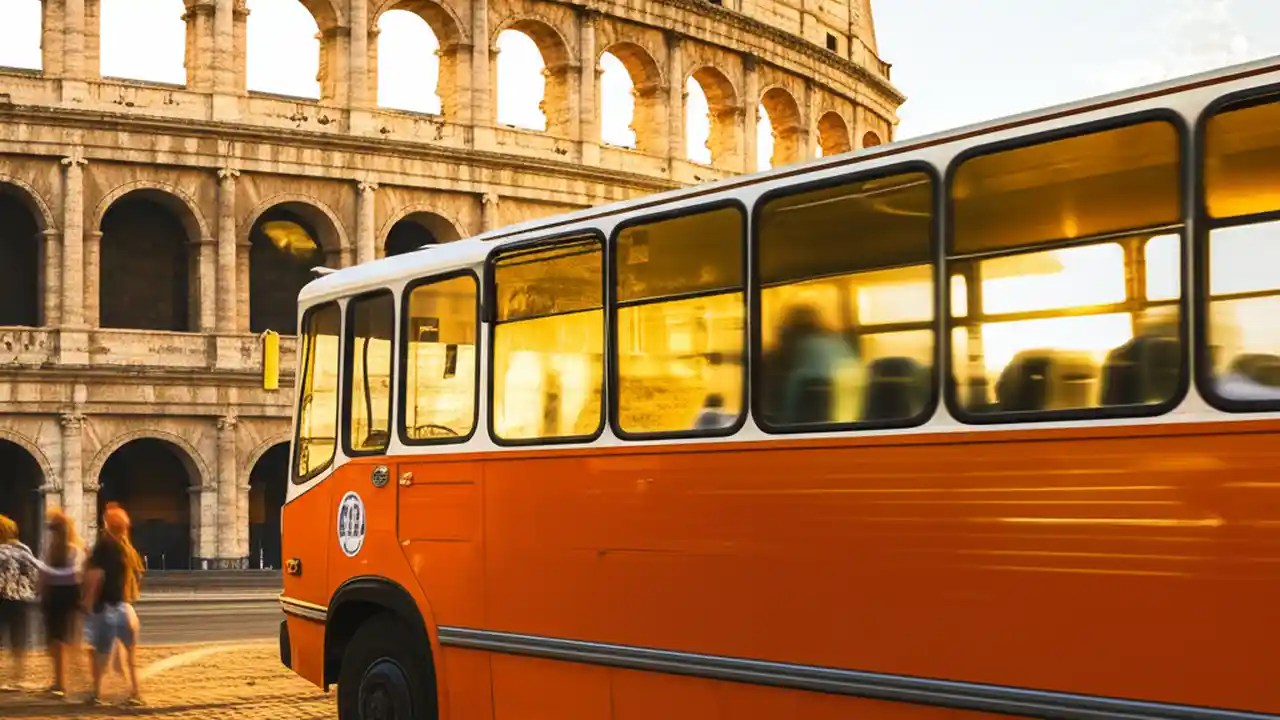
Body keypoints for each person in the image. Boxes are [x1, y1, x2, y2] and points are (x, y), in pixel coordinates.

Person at [82, 504, 144, 706]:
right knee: (130, 657)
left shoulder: (103, 546)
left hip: (106, 609)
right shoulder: (129, 549)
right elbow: (137, 577)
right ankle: (135, 693)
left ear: (107, 524)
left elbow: (96, 576)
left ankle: (97, 694)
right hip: (127, 610)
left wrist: (87, 602)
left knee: (100, 654)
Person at [39, 509, 84, 697]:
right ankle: (65, 680)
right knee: (65, 640)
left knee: (58, 641)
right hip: (69, 596)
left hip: (58, 597)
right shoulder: (74, 550)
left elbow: (44, 575)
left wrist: (42, 590)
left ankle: (62, 682)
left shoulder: (57, 551)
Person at [0, 514, 39, 692]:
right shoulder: (24, 550)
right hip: (20, 599)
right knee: (18, 639)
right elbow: (35, 572)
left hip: (1, 597)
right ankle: (17, 676)